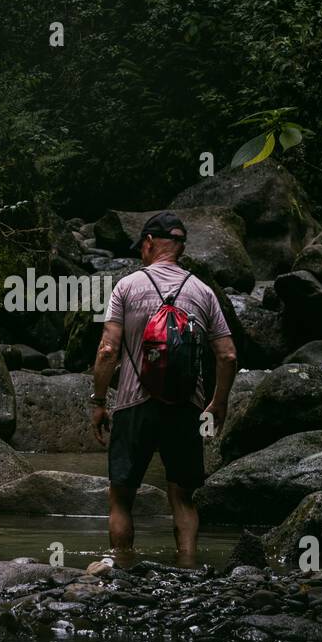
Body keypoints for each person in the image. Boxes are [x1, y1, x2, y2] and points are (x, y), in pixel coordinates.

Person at [89, 211, 238, 562]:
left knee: (121, 495)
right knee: (182, 497)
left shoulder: (126, 287)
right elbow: (228, 356)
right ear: (180, 247)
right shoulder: (202, 291)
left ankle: (123, 565)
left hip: (132, 404)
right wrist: (217, 403)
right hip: (186, 407)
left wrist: (98, 401)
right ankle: (187, 568)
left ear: (150, 243)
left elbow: (108, 349)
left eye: (141, 244)